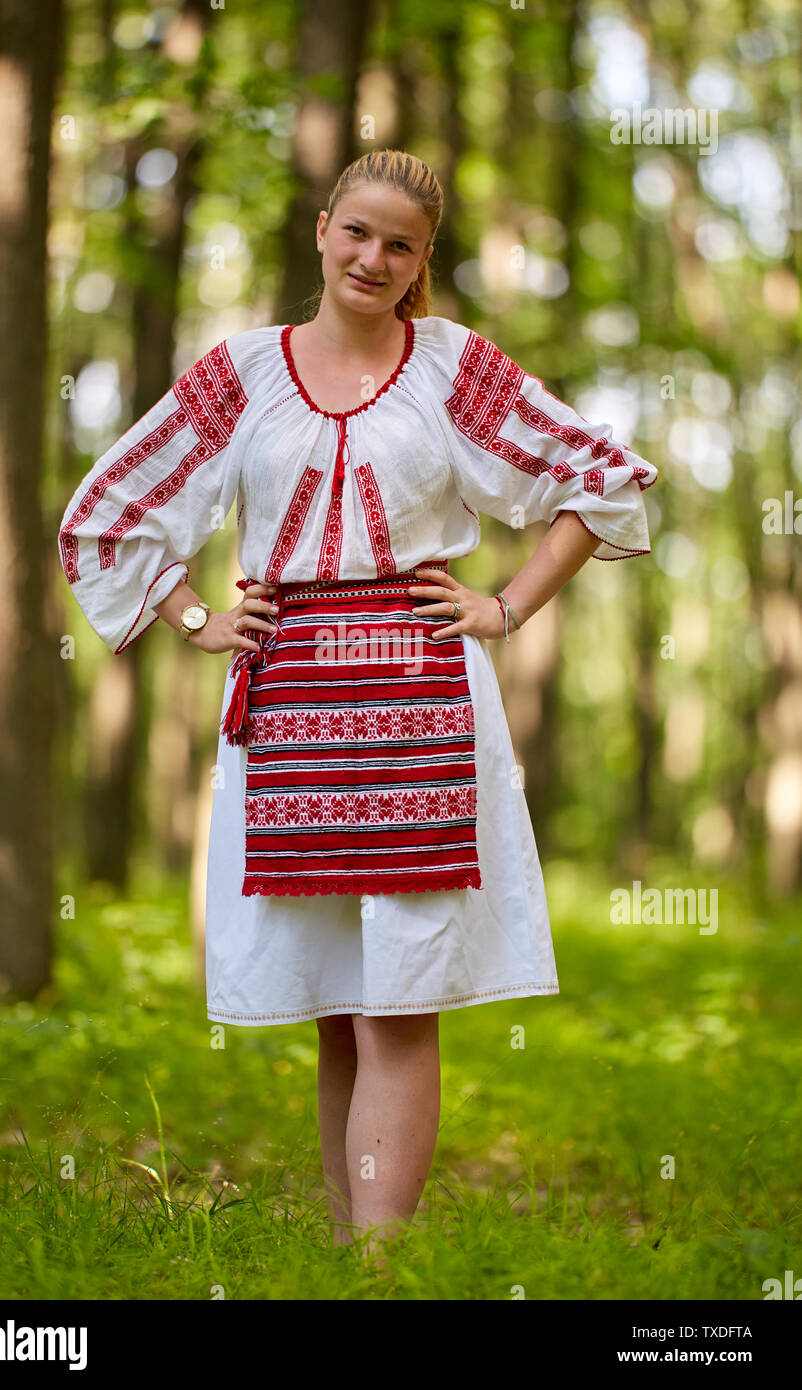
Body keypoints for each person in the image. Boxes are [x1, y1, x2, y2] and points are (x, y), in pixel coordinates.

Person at [58, 148, 658, 1265]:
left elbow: (602, 476)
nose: (373, 258)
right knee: (339, 997)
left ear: (422, 262)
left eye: (402, 245)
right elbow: (106, 510)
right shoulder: (239, 371)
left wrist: (509, 604)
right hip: (285, 708)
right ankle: (348, 1253)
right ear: (321, 230)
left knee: (399, 998)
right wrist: (193, 618)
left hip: (423, 701)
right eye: (358, 232)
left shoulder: (450, 368)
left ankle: (380, 1270)